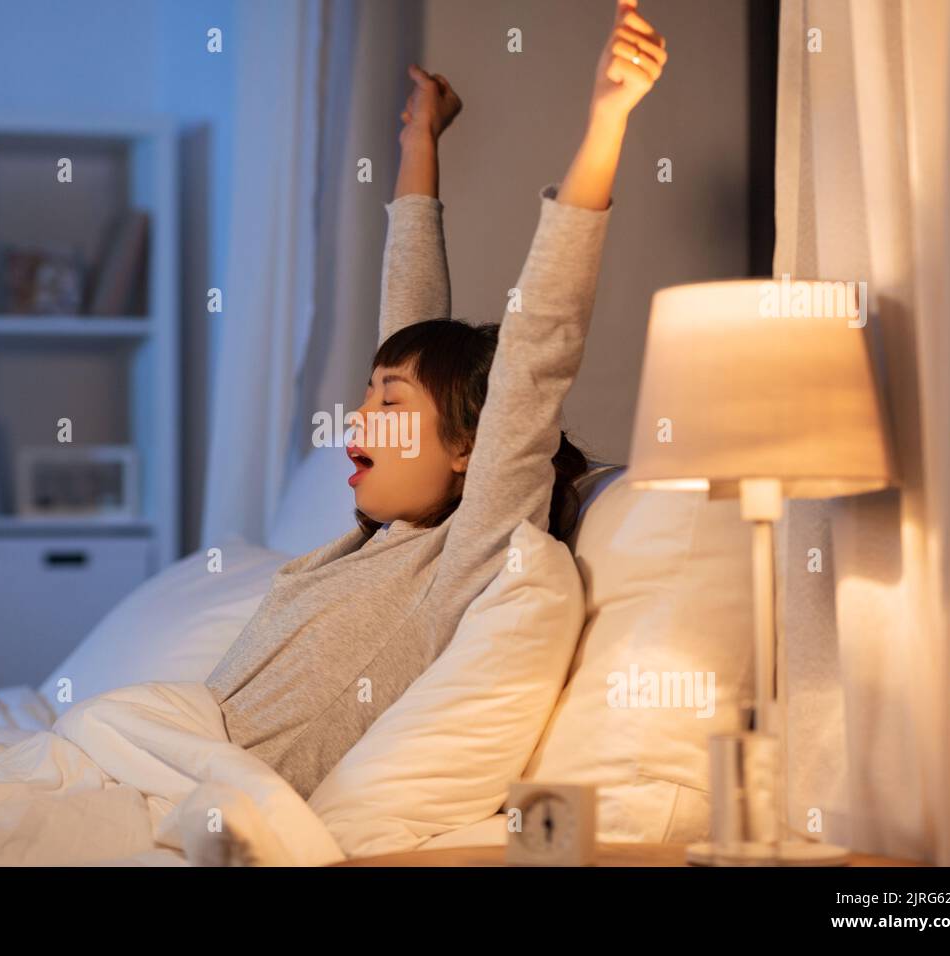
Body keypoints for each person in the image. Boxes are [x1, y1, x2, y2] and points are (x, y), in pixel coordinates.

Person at [205, 0, 668, 800]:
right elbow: (410, 327)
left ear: (470, 449)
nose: (358, 419)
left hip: (207, 799)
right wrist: (419, 144)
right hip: (154, 754)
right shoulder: (373, 546)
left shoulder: (462, 562)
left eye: (386, 403)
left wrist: (607, 126)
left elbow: (534, 357)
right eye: (367, 398)